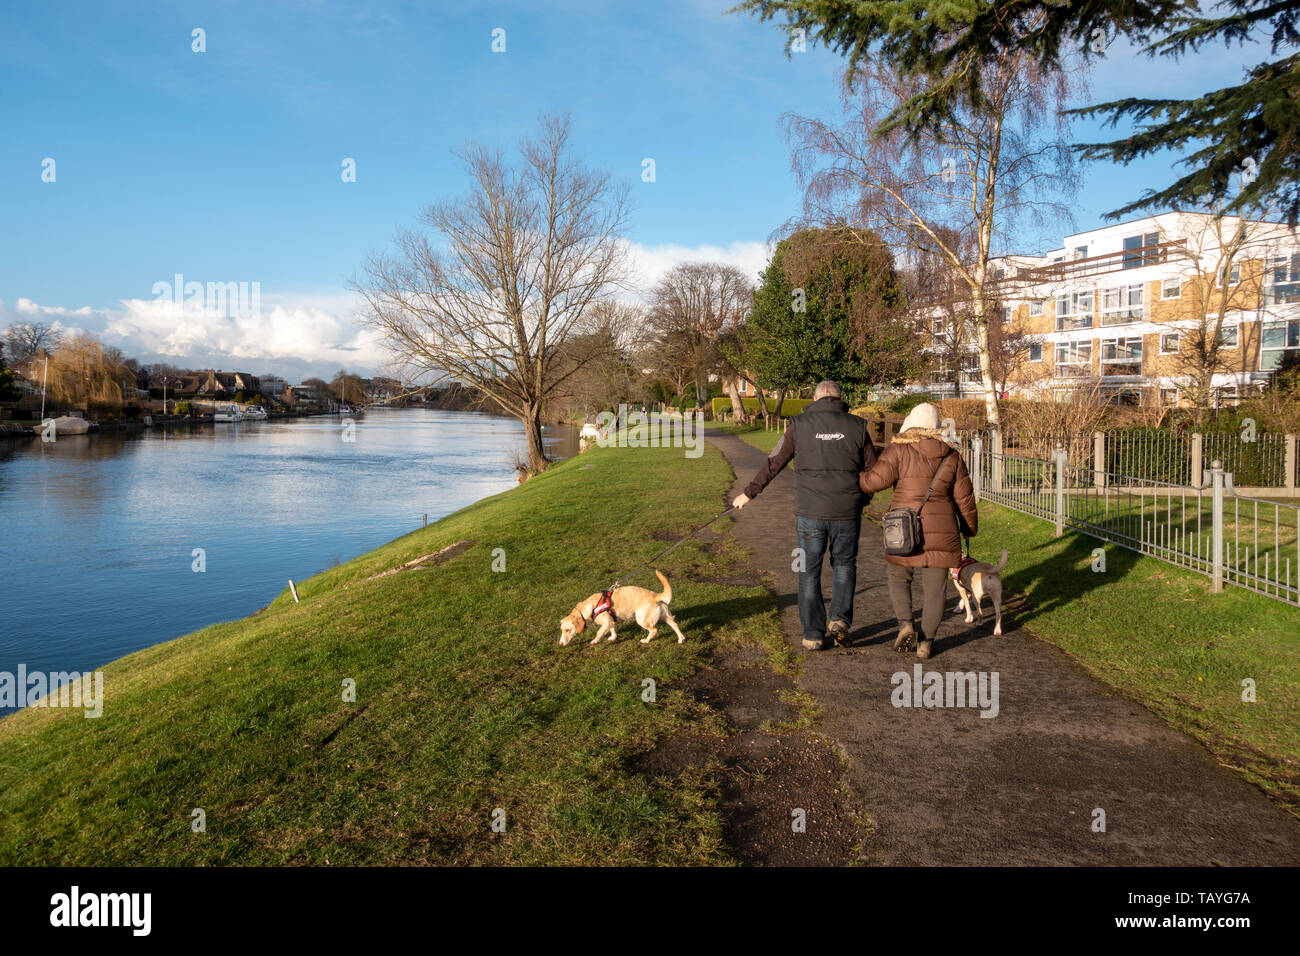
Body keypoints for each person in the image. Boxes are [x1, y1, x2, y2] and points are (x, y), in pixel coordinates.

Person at [732, 381, 877, 651]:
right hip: (847, 512)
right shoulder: (857, 426)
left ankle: (812, 634)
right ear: (840, 399)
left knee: (808, 571)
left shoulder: (799, 424)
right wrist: (862, 499)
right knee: (844, 565)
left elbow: (774, 461)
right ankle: (839, 619)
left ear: (815, 398)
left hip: (810, 512)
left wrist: (749, 493)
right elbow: (874, 471)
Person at [858, 402, 978, 660]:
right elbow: (965, 499)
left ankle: (906, 624)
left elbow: (873, 482)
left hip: (903, 528)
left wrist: (858, 476)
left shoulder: (898, 450)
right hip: (943, 530)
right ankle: (926, 642)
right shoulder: (952, 455)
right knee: (936, 589)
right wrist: (969, 529)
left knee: (899, 576)